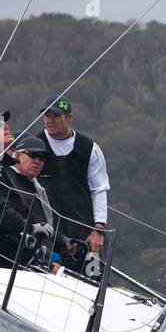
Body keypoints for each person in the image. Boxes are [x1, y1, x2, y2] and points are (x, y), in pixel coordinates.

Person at [37, 97, 109, 258]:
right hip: (48, 233)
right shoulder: (35, 146)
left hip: (86, 232)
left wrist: (98, 229)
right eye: (46, 115)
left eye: (56, 116)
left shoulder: (89, 148)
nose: (50, 120)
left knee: (95, 277)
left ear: (69, 118)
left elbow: (100, 189)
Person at [0, 135, 60, 269]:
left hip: (32, 249)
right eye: (33, 154)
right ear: (18, 155)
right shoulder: (6, 176)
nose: (38, 161)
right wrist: (31, 230)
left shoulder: (39, 188)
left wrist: (62, 242)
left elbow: (43, 223)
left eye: (42, 158)